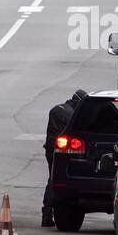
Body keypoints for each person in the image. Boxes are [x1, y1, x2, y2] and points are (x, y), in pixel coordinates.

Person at [41, 89, 88, 226]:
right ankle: (48, 214)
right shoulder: (71, 115)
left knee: (52, 180)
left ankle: (47, 214)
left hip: (51, 150)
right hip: (61, 153)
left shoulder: (56, 109)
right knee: (55, 182)